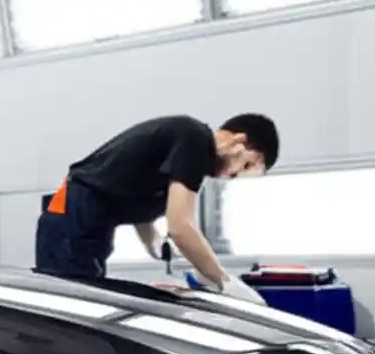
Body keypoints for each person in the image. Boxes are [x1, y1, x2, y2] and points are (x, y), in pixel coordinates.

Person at [34, 114, 279, 303]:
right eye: (246, 165)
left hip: (86, 223)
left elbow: (132, 189)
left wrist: (153, 243)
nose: (234, 175)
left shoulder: (187, 152)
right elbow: (181, 226)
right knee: (70, 305)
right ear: (240, 140)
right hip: (72, 217)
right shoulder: (194, 139)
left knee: (85, 300)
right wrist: (225, 282)